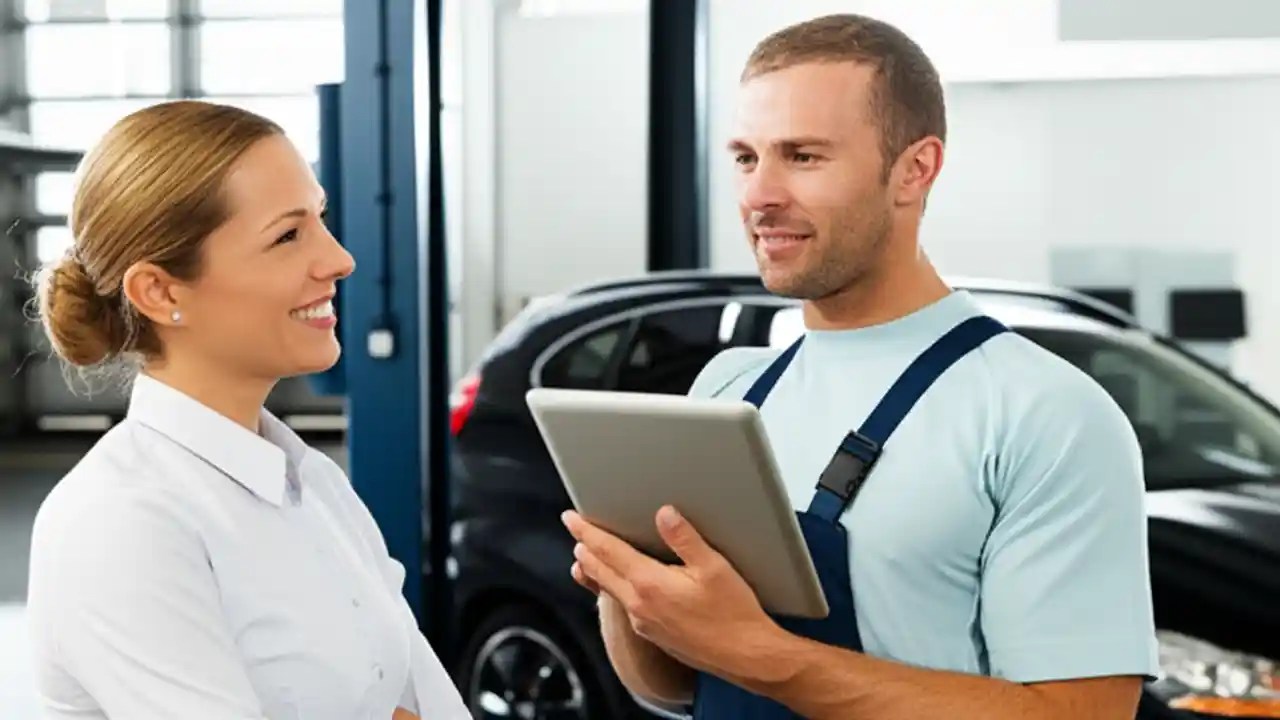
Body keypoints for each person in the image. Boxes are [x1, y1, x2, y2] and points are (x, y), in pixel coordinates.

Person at [562, 13, 1159, 720]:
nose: (759, 195)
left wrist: (764, 656)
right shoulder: (730, 388)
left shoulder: (1043, 413)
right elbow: (672, 685)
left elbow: (1083, 715)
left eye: (803, 156)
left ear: (915, 169)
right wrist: (625, 590)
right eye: (747, 158)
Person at [25, 100, 469, 720]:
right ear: (161, 291)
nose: (340, 259)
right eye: (288, 235)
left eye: (320, 219)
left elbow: (422, 696)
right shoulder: (117, 521)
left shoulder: (314, 484)